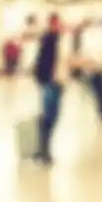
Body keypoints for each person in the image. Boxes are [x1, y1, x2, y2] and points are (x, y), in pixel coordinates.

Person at [32, 13, 65, 165]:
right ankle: (43, 151)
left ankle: (43, 149)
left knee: (51, 117)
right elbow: (43, 61)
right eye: (57, 24)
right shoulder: (49, 39)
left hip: (54, 83)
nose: (59, 26)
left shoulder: (55, 39)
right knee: (49, 117)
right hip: (50, 83)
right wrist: (46, 79)